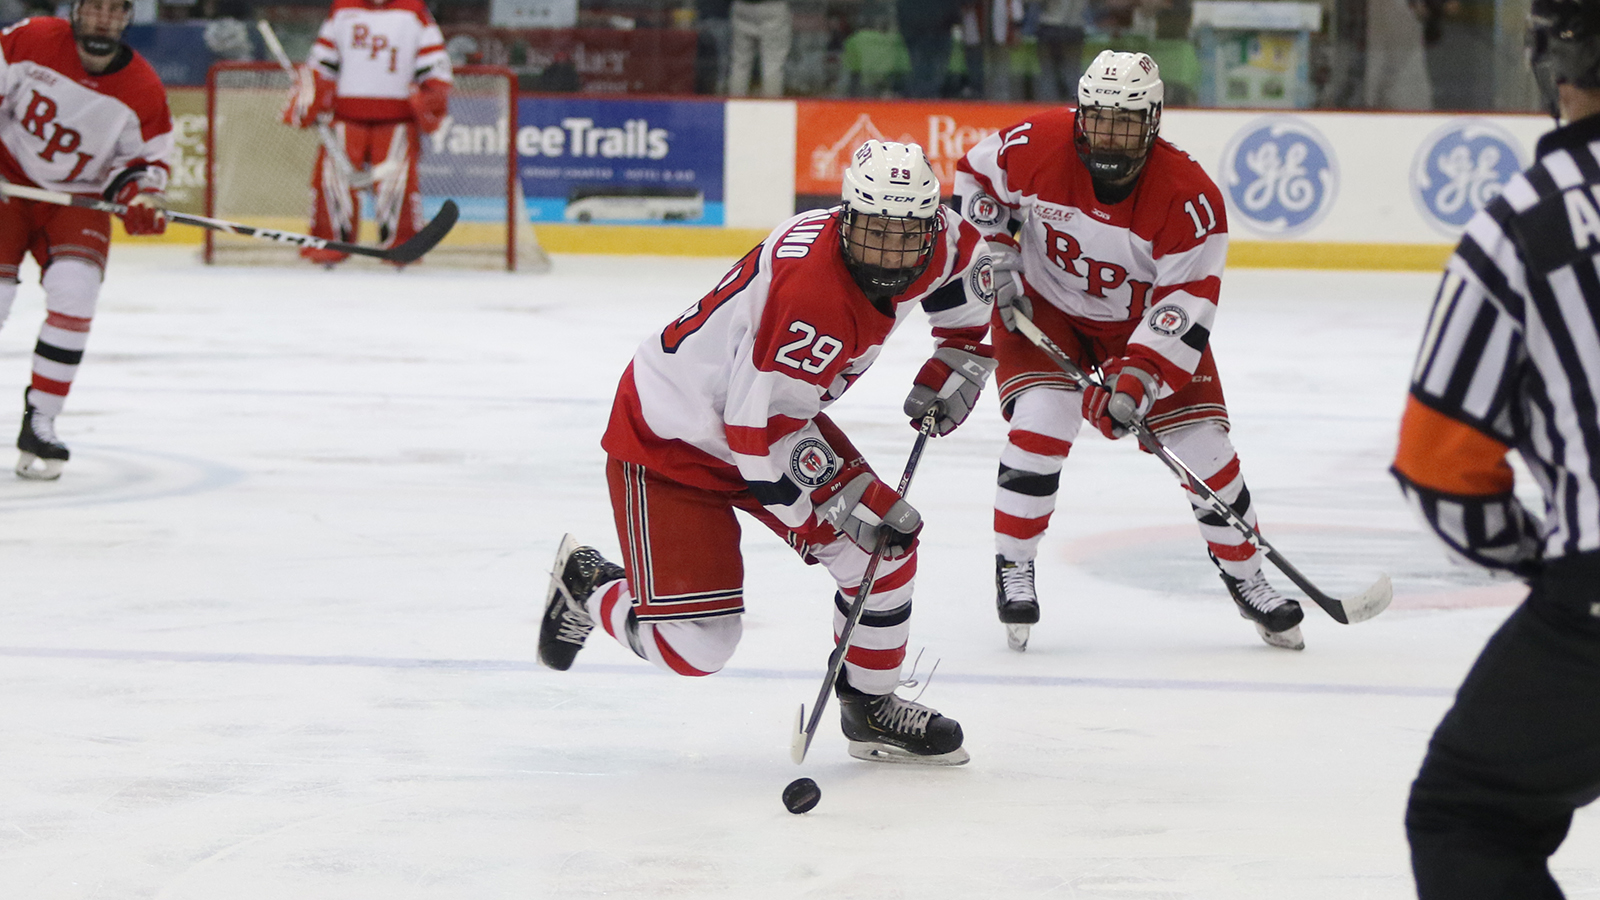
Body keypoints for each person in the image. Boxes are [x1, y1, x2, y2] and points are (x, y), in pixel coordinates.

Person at [539, 140, 997, 766]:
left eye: (906, 235)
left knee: (880, 552)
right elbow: (758, 439)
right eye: (876, 233)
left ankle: (870, 707)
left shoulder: (934, 241)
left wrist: (960, 351)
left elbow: (967, 266)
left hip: (768, 416)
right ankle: (587, 582)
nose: (891, 253)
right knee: (695, 649)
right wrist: (834, 508)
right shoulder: (812, 298)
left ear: (929, 223)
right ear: (847, 217)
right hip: (673, 439)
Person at [954, 50, 1302, 653]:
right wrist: (995, 251)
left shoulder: (1188, 198)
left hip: (1138, 328)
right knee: (1040, 425)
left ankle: (1249, 578)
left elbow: (1183, 302)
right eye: (1099, 118)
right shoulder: (1038, 143)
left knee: (1206, 450)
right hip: (1043, 308)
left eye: (1126, 120)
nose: (1109, 133)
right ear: (1081, 114)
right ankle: (1015, 563)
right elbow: (977, 180)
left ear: (1154, 119)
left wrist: (1137, 379)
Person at [1393, 0, 1600, 893]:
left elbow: (1439, 465)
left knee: (1468, 817)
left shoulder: (1527, 221)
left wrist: (1539, 559)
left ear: (1558, 63)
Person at [0, 0, 173, 480]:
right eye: (95, 7)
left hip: (79, 198)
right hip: (7, 180)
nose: (103, 19)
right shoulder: (32, 38)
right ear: (76, 10)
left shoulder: (143, 88)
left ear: (127, 18)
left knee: (75, 293)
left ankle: (41, 419)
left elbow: (144, 163)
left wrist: (142, 198)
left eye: (115, 10)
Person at [281, 0, 451, 266]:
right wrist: (308, 98)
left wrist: (431, 99)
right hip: (346, 115)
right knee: (333, 180)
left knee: (396, 184)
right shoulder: (343, 8)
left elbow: (435, 66)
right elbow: (322, 63)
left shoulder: (414, 10)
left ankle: (401, 242)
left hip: (397, 117)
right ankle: (329, 241)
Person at [727, 0, 790, 97]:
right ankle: (771, 106)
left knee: (740, 64)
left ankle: (735, 104)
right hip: (772, 6)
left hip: (742, 6)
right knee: (773, 65)